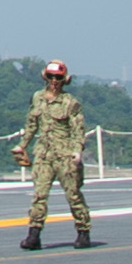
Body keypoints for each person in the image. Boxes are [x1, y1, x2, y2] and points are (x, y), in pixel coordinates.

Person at [14, 59, 93, 250]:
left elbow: (77, 130)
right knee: (39, 195)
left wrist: (77, 151)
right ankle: (34, 234)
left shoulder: (70, 103)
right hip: (44, 154)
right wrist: (22, 146)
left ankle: (83, 231)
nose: (54, 81)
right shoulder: (37, 98)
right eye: (51, 77)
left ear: (64, 79)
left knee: (73, 194)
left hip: (65, 154)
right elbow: (32, 124)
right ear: (45, 77)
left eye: (58, 77)